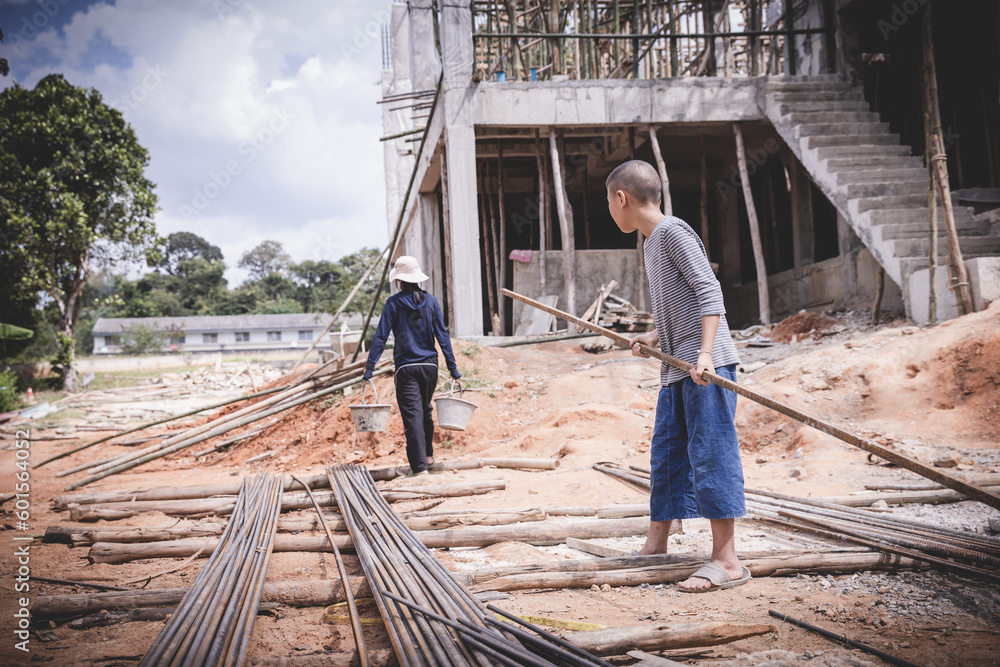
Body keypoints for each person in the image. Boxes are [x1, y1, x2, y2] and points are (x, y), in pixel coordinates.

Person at [606, 160, 750, 593]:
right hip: (676, 368)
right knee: (666, 455)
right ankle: (657, 544)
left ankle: (727, 561)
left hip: (706, 367)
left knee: (711, 453)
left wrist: (704, 355)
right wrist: (653, 336)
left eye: (608, 203)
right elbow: (679, 304)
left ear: (621, 198)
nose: (610, 211)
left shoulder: (673, 232)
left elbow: (710, 292)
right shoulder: (650, 243)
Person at [363, 256, 461, 475]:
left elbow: (380, 337)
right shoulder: (431, 301)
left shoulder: (393, 304)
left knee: (413, 417)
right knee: (425, 410)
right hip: (430, 367)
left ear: (399, 280)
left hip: (406, 368)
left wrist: (370, 368)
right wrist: (453, 368)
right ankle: (428, 457)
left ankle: (419, 470)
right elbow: (442, 336)